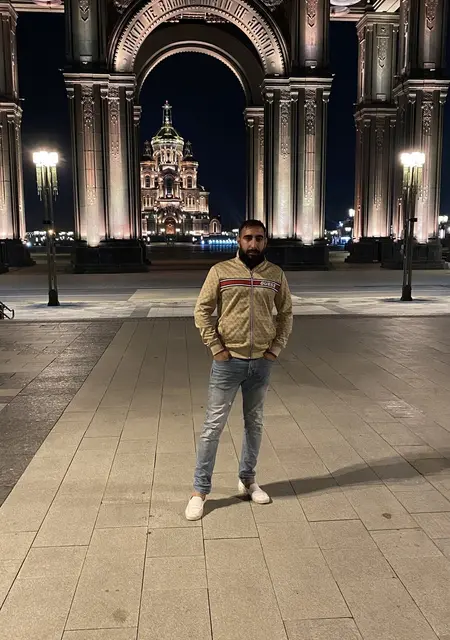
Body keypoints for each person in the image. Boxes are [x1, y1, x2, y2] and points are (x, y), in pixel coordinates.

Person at [185, 220, 293, 521]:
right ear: (238, 240)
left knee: (254, 423)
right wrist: (216, 347)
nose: (253, 244)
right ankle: (199, 491)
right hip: (228, 361)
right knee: (213, 426)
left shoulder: (275, 274)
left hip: (261, 362)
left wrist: (275, 348)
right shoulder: (221, 271)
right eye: (248, 238)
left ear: (266, 241)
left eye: (259, 238)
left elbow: (286, 313)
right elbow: (202, 310)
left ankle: (247, 479)